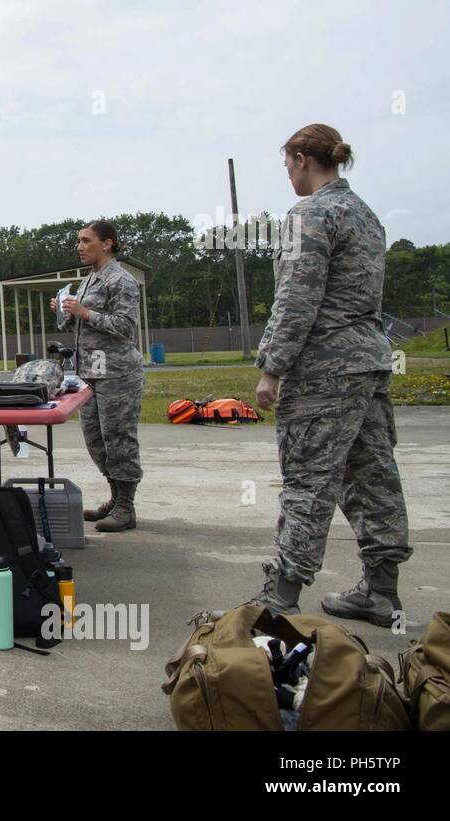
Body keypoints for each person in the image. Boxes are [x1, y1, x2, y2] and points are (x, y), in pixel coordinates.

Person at [246, 124, 410, 626]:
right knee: (373, 474)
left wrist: (272, 367)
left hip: (323, 368)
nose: (289, 174)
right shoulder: (364, 213)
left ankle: (282, 597)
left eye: (287, 164)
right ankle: (381, 592)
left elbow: (297, 298)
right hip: (368, 360)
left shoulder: (311, 213)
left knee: (307, 480)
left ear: (300, 158)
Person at [52, 220, 144, 532]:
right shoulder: (90, 279)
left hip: (117, 374)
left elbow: (124, 327)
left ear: (107, 244)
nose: (79, 246)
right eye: (78, 241)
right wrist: (64, 312)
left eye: (86, 240)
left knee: (119, 439)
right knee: (96, 440)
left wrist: (85, 313)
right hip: (89, 374)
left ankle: (126, 507)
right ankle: (115, 497)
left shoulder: (121, 280)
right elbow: (77, 325)